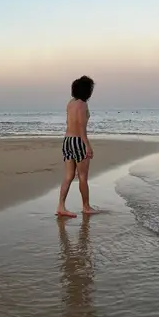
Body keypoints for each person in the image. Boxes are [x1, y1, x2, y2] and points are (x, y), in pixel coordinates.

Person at [56, 75, 97, 217]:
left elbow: (70, 123)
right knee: (83, 176)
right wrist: (87, 145)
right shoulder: (82, 104)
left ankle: (61, 206)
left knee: (68, 176)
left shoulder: (70, 103)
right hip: (79, 141)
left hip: (67, 140)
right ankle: (86, 206)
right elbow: (81, 126)